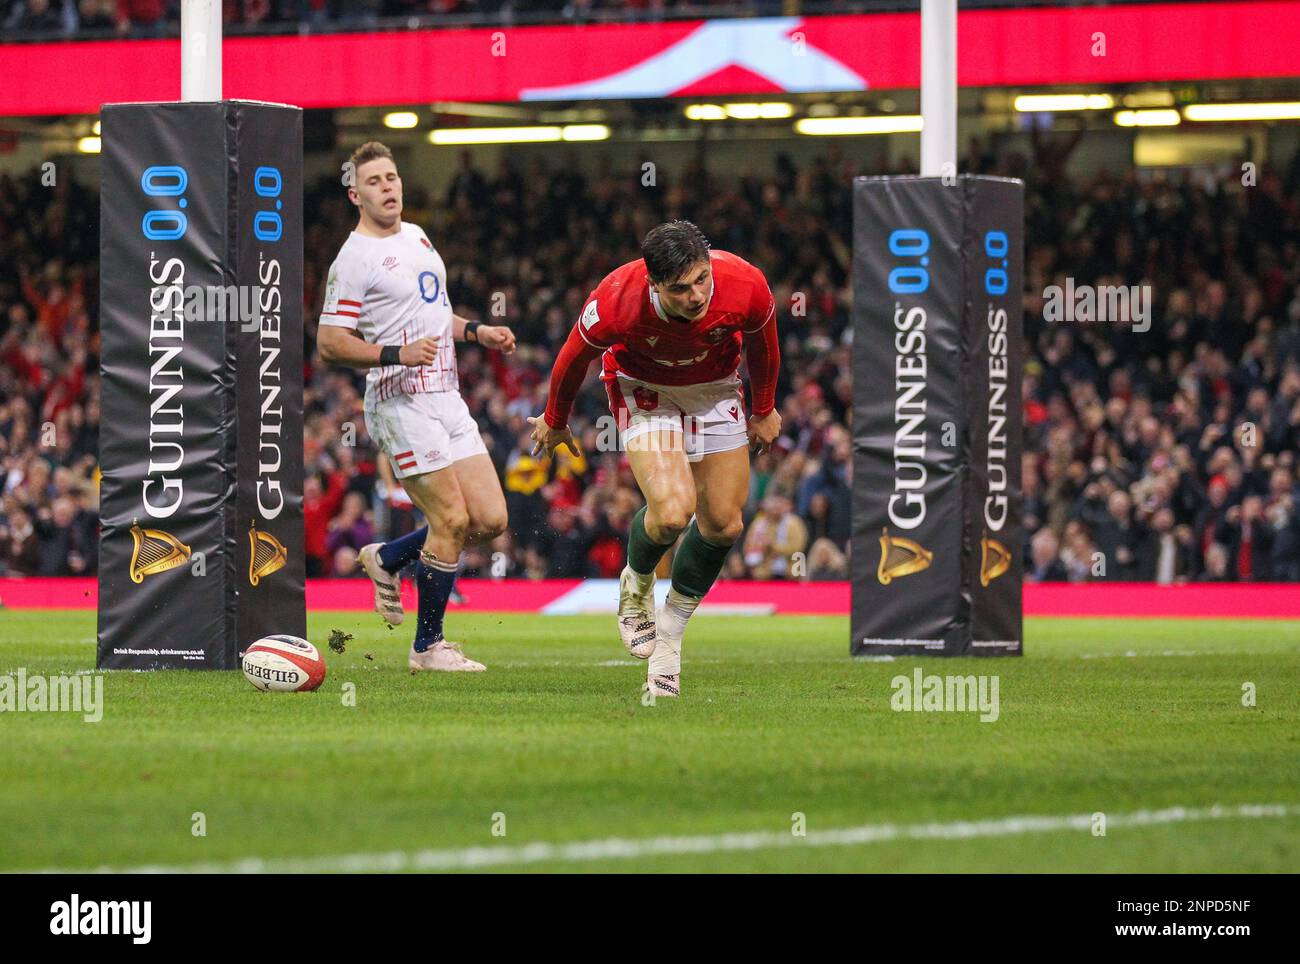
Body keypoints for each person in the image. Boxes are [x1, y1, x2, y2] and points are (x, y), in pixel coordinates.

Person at [529, 220, 781, 698]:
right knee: (670, 514)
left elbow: (765, 344)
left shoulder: (745, 283)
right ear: (653, 284)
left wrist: (764, 408)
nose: (696, 295)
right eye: (680, 288)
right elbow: (571, 357)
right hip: (644, 389)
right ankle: (637, 585)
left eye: (702, 279)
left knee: (725, 525)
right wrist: (555, 418)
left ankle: (671, 633)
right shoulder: (617, 299)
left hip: (715, 389)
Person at [316, 141, 516, 672]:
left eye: (393, 176)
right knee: (450, 517)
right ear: (355, 194)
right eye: (376, 181)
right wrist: (395, 353)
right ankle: (428, 646)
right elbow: (331, 341)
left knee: (491, 518)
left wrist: (478, 331)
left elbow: (435, 315)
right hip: (399, 400)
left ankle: (387, 558)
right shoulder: (353, 257)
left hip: (446, 395)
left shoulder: (418, 238)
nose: (389, 187)